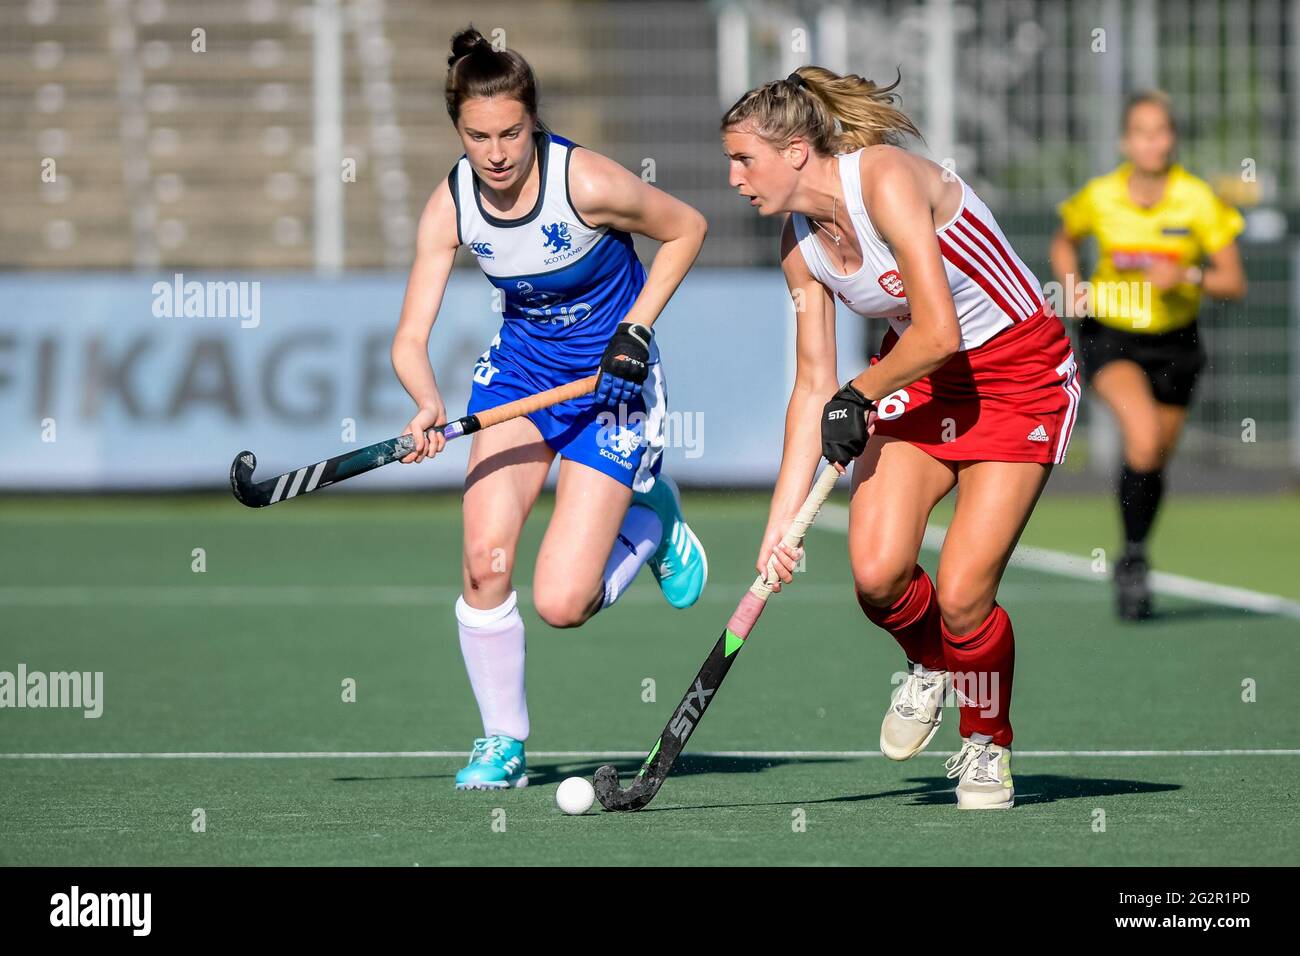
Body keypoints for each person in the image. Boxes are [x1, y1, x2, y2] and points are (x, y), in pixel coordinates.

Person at [722, 67, 1081, 809]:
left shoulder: (883, 179)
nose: (734, 178)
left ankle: (987, 744)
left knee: (963, 594)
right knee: (879, 576)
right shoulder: (800, 242)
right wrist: (780, 525)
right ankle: (934, 664)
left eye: (743, 160)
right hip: (919, 381)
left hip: (1018, 377)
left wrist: (861, 393)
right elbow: (813, 384)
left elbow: (940, 329)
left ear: (794, 151)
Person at [392, 27, 709, 790]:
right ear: (457, 131)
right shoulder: (452, 205)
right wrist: (427, 402)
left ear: (533, 120)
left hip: (613, 389)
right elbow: (410, 337)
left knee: (564, 603)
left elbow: (685, 228)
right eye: (478, 136)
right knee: (483, 562)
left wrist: (636, 329)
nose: (497, 153)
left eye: (511, 133)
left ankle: (654, 518)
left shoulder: (587, 181)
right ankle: (501, 741)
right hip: (520, 383)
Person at [1050, 91, 1247, 620]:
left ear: (1173, 139)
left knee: (1154, 455)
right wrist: (1071, 286)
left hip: (1176, 343)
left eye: (1161, 131)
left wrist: (1186, 274)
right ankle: (1134, 564)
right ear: (1125, 140)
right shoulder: (1101, 194)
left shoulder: (1198, 199)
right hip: (1111, 334)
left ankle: (1133, 551)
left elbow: (1233, 281)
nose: (1152, 142)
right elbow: (1064, 240)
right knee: (1141, 439)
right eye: (1141, 131)